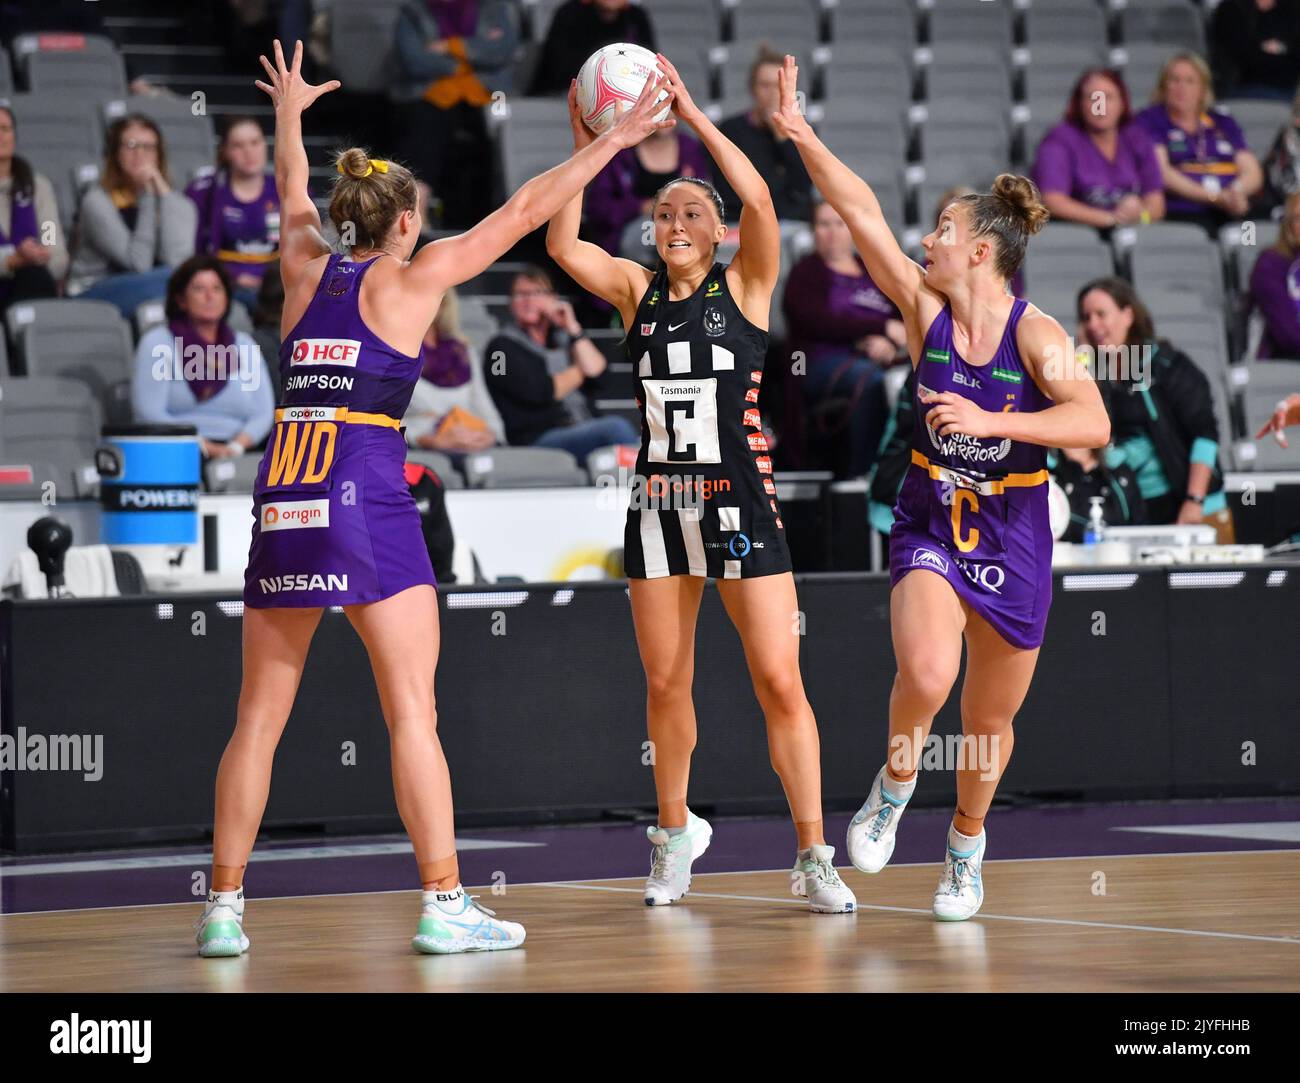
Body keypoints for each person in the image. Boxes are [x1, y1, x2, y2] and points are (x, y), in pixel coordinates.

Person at [195, 38, 674, 958]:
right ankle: (445, 899)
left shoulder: (304, 263)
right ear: (405, 222)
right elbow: (530, 208)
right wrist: (608, 140)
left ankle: (222, 907)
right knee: (413, 708)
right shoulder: (415, 278)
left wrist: (291, 112)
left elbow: (294, 186)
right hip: (361, 483)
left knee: (257, 716)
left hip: (284, 481)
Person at [774, 56, 1110, 920]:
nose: (928, 241)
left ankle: (965, 846)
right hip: (932, 513)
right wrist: (804, 133)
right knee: (926, 672)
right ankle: (892, 782)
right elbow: (861, 212)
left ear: (983, 249)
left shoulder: (1038, 336)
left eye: (945, 230)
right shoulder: (924, 310)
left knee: (987, 724)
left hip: (1015, 528)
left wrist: (998, 421)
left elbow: (1094, 422)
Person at [547, 54, 857, 915]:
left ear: (716, 233)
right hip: (657, 511)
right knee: (664, 685)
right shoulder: (635, 292)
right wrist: (588, 142)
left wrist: (691, 115)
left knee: (778, 682)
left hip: (740, 506)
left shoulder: (747, 286)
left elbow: (760, 200)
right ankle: (675, 832)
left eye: (691, 211)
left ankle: (813, 850)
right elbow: (563, 243)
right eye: (662, 212)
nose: (674, 219)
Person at [1077, 277, 1229, 532]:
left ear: (1128, 315)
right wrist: (1082, 358)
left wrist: (1194, 501)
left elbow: (1205, 434)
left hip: (1194, 511)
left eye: (1101, 314)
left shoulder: (1168, 366)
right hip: (1139, 514)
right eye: (1086, 317)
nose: (1093, 324)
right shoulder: (1093, 375)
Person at [783, 197, 905, 477]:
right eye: (824, 224)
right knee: (872, 383)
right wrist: (879, 328)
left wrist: (888, 339)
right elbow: (816, 320)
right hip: (812, 362)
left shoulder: (871, 270)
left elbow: (901, 313)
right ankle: (864, 476)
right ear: (814, 231)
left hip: (882, 359)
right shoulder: (805, 273)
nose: (832, 232)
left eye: (839, 224)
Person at [484, 266, 639, 460]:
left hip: (581, 426)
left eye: (537, 293)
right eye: (521, 294)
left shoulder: (564, 340)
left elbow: (601, 376)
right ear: (511, 303)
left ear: (553, 299)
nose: (528, 300)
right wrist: (581, 370)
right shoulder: (500, 348)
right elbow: (541, 392)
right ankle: (645, 486)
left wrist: (573, 328)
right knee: (615, 429)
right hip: (535, 438)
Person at [131, 254, 274, 458]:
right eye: (199, 289)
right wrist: (201, 445)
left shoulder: (244, 345)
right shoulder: (158, 343)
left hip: (239, 453)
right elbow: (149, 412)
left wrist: (235, 448)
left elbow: (263, 413)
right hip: (176, 450)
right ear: (181, 299)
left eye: (217, 289)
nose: (210, 296)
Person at [392, 0, 518, 229]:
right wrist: (465, 65)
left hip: (490, 94)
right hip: (431, 94)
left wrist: (452, 47)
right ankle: (417, 209)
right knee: (427, 123)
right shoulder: (413, 10)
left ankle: (490, 220)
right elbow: (414, 60)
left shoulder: (496, 7)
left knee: (495, 131)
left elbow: (502, 50)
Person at [67, 114, 197, 315]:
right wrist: (147, 196)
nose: (140, 154)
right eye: (130, 145)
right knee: (177, 281)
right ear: (116, 154)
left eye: (148, 147)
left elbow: (178, 258)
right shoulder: (96, 201)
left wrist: (162, 191)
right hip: (92, 291)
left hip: (146, 285)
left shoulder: (171, 200)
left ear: (159, 155)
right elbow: (138, 263)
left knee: (189, 280)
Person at [1135, 53, 1264, 234]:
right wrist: (1215, 198)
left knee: (1252, 234)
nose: (1182, 88)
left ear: (1203, 89)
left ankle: (1246, 257)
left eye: (1190, 81)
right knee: (1203, 232)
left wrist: (1236, 192)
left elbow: (1253, 172)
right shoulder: (1149, 119)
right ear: (1163, 87)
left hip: (1231, 204)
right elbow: (1162, 172)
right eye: (1174, 80)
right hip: (1183, 209)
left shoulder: (1222, 120)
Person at [1031, 69, 1165, 231]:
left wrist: (1141, 216)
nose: (1100, 106)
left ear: (1122, 104)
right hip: (1077, 235)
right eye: (1092, 98)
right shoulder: (1059, 139)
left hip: (1132, 232)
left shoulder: (1136, 138)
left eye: (1108, 97)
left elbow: (1156, 205)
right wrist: (1110, 219)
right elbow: (1052, 200)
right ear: (1079, 104)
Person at [186, 116, 281, 310]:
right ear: (225, 151)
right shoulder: (205, 193)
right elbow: (195, 254)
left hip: (277, 286)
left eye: (255, 142)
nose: (249, 152)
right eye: (238, 145)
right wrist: (233, 277)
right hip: (225, 286)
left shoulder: (286, 190)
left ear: (265, 145)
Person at [712, 47, 813, 226]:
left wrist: (782, 137)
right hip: (742, 222)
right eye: (765, 85)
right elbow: (726, 190)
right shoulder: (730, 130)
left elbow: (804, 186)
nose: (773, 93)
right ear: (753, 89)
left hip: (789, 223)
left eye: (778, 86)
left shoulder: (801, 131)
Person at [402, 286, 505, 457]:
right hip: (420, 446)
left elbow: (483, 406)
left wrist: (490, 435)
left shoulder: (463, 352)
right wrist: (428, 440)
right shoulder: (395, 351)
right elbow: (380, 418)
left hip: (469, 439)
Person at [585, 125, 711, 262]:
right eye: (657, 106)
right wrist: (640, 207)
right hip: (627, 243)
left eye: (669, 106)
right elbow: (597, 209)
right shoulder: (620, 151)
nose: (665, 114)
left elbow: (707, 199)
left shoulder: (690, 148)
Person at [0, 104, 68, 316]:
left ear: (14, 136)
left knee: (34, 276)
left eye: (5, 129)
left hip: (33, 281)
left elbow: (53, 245)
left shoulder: (37, 187)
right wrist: (11, 261)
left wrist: (41, 255)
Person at [529, 0, 656, 96]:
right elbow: (559, 69)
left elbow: (651, 63)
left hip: (627, 89)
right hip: (571, 91)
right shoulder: (569, 14)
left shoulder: (636, 17)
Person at [1047, 444, 1145, 542]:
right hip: (1069, 553)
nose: (1074, 442)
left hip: (1118, 551)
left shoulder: (1119, 475)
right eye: (1066, 434)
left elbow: (1140, 524)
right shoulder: (1052, 480)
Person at [1210, 0, 1300, 101]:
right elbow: (1244, 56)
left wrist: (1280, 48)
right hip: (1239, 88)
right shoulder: (1232, 9)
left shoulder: (1293, 8)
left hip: (1290, 88)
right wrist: (1284, 53)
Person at [1248, 189, 1300, 358]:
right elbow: (1288, 335)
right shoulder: (1270, 266)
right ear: (1288, 225)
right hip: (1281, 363)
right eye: (1298, 218)